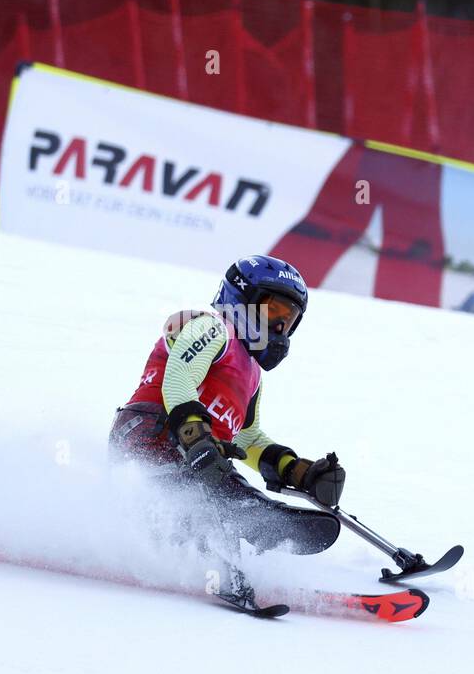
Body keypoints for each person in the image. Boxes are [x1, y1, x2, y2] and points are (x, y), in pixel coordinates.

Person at [109, 255, 346, 608]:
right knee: (217, 484)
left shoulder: (252, 375)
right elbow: (179, 380)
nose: (279, 328)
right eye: (272, 311)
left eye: (288, 320)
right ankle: (246, 523)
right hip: (148, 432)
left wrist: (297, 470)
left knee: (210, 483)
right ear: (241, 298)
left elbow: (248, 439)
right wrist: (195, 437)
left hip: (197, 456)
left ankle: (213, 544)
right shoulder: (212, 327)